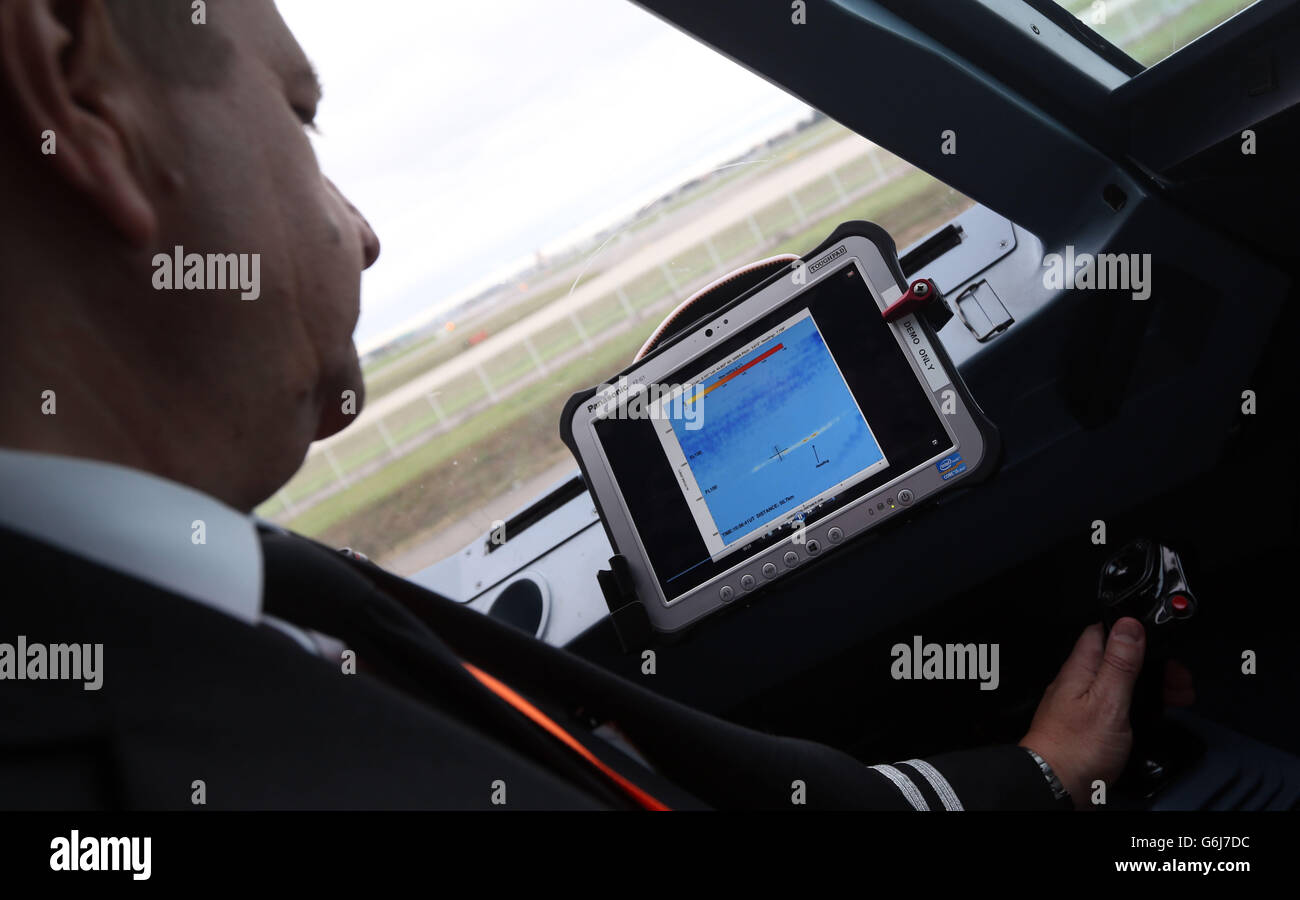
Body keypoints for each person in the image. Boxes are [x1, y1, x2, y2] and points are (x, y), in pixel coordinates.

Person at [0, 0, 1184, 810]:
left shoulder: (234, 591)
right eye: (300, 116)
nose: (362, 232)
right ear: (80, 91)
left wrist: (1028, 780)